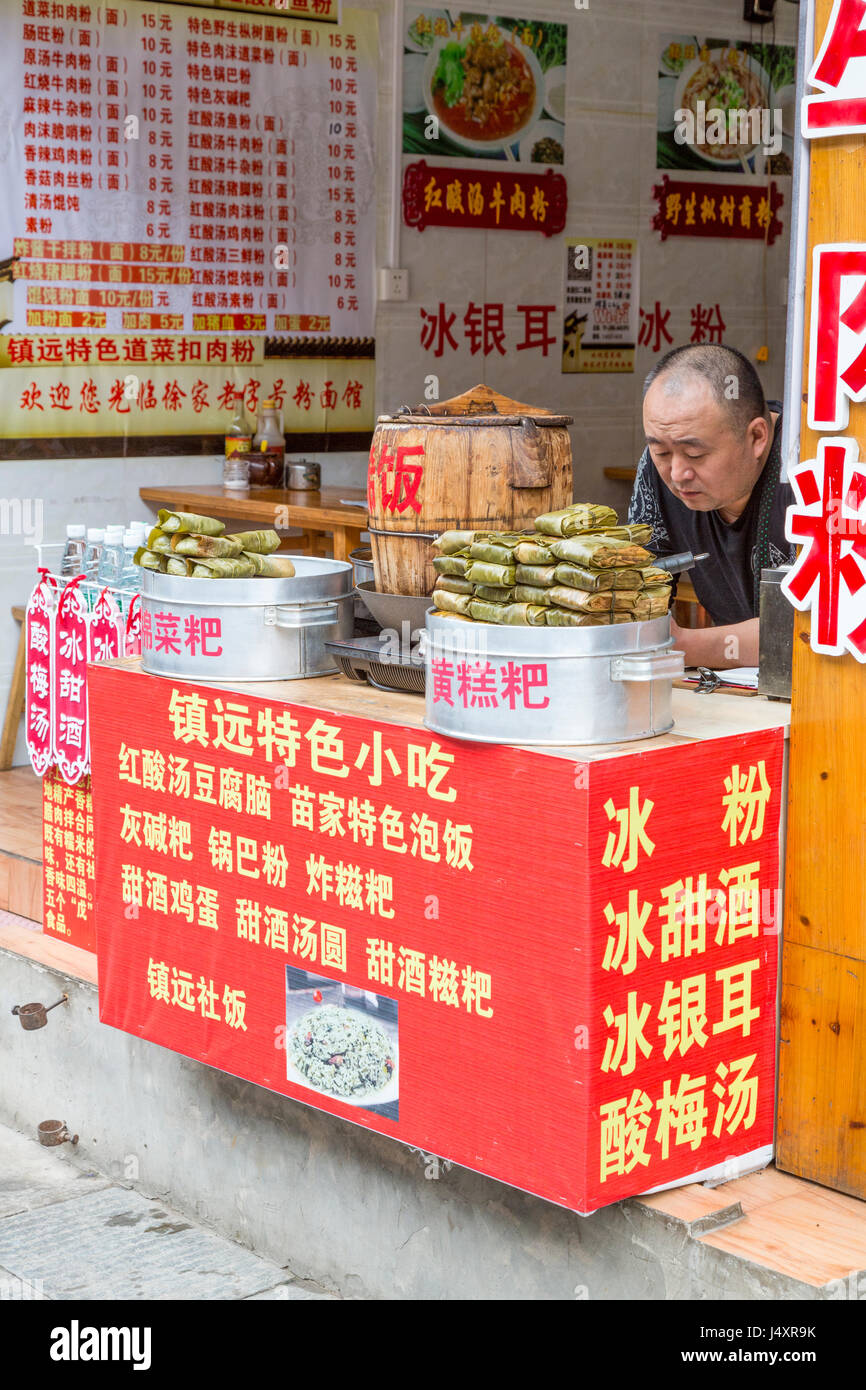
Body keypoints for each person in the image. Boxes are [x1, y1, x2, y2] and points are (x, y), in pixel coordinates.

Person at [628, 343, 795, 669]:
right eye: (661, 452)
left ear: (757, 437)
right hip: (733, 689)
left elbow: (810, 626)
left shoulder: (810, 464)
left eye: (695, 455)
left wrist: (688, 647)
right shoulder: (656, 470)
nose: (677, 474)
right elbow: (637, 593)